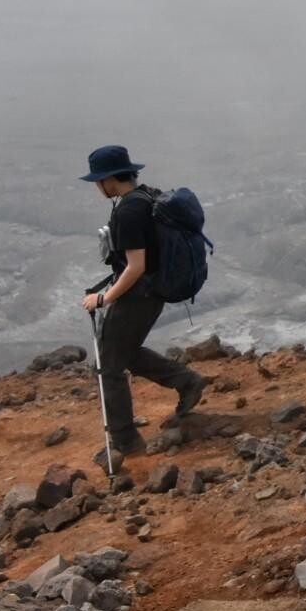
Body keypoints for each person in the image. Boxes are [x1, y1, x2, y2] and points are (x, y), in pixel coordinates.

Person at [79, 145, 207, 468]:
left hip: (138, 296)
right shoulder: (145, 196)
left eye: (98, 181)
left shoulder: (129, 211)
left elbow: (136, 266)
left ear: (109, 179)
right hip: (150, 293)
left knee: (108, 365)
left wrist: (103, 298)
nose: (97, 187)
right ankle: (187, 381)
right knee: (126, 352)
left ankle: (126, 442)